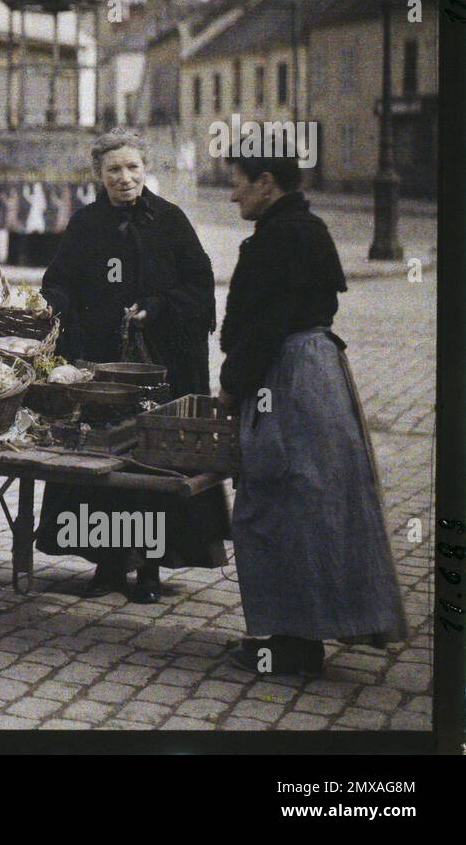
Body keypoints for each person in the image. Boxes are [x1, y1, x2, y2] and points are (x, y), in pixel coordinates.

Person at [218, 153, 406, 676]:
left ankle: (292, 644)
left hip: (290, 377)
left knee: (277, 501)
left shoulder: (282, 238)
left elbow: (265, 325)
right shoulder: (304, 228)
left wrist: (233, 387)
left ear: (265, 183)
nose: (233, 196)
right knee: (309, 501)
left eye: (238, 185)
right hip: (315, 372)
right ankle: (300, 631)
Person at [32, 127, 228, 602]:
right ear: (98, 175)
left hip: (164, 369)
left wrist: (157, 307)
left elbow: (200, 288)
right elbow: (60, 282)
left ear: (146, 170)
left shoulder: (171, 221)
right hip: (102, 369)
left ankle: (152, 569)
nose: (125, 177)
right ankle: (108, 565)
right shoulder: (87, 225)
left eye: (133, 168)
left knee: (155, 464)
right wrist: (48, 306)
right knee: (105, 464)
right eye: (114, 170)